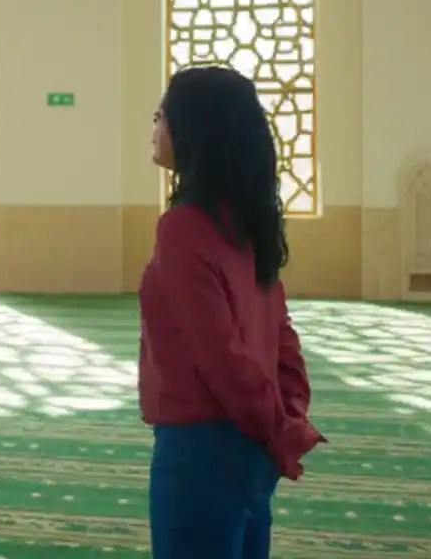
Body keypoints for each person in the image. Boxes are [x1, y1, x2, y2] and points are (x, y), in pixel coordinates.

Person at [138, 65, 326, 559]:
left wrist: (279, 428)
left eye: (162, 114)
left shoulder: (183, 228)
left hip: (201, 451)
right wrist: (285, 420)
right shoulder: (248, 221)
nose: (154, 125)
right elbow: (283, 340)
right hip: (253, 448)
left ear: (194, 129)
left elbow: (221, 358)